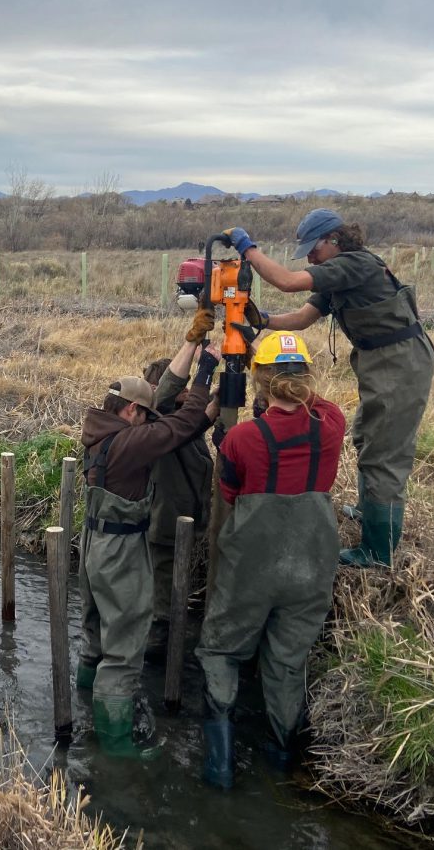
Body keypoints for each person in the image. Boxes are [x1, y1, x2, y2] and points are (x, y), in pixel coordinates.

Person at [222, 211, 434, 567]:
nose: (309, 257)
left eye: (313, 249)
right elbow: (302, 318)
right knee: (367, 436)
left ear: (334, 240)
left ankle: (377, 553)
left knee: (384, 455)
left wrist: (247, 247)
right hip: (379, 361)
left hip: (400, 362)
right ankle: (369, 511)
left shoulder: (355, 264)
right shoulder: (338, 275)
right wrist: (261, 322)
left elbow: (287, 282)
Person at [195, 331, 345, 789]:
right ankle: (281, 762)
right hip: (311, 565)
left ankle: (219, 769)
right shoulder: (331, 424)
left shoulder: (242, 439)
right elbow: (316, 403)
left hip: (252, 568)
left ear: (259, 381)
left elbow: (229, 494)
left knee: (221, 650)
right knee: (287, 662)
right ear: (307, 377)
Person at [77, 338, 220, 757]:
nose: (148, 420)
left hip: (94, 545)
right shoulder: (130, 443)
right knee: (123, 651)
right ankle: (117, 748)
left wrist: (193, 350)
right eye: (144, 414)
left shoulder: (100, 434)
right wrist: (206, 370)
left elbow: (180, 424)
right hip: (120, 553)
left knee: (95, 637)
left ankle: (84, 703)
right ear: (130, 411)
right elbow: (179, 425)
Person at [141, 341, 214, 662]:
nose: (186, 392)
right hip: (164, 528)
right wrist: (204, 371)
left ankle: (165, 648)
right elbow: (172, 406)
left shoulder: (178, 425)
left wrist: (217, 397)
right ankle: (156, 657)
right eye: (181, 386)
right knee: (162, 603)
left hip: (182, 525)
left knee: (171, 594)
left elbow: (197, 422)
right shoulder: (156, 424)